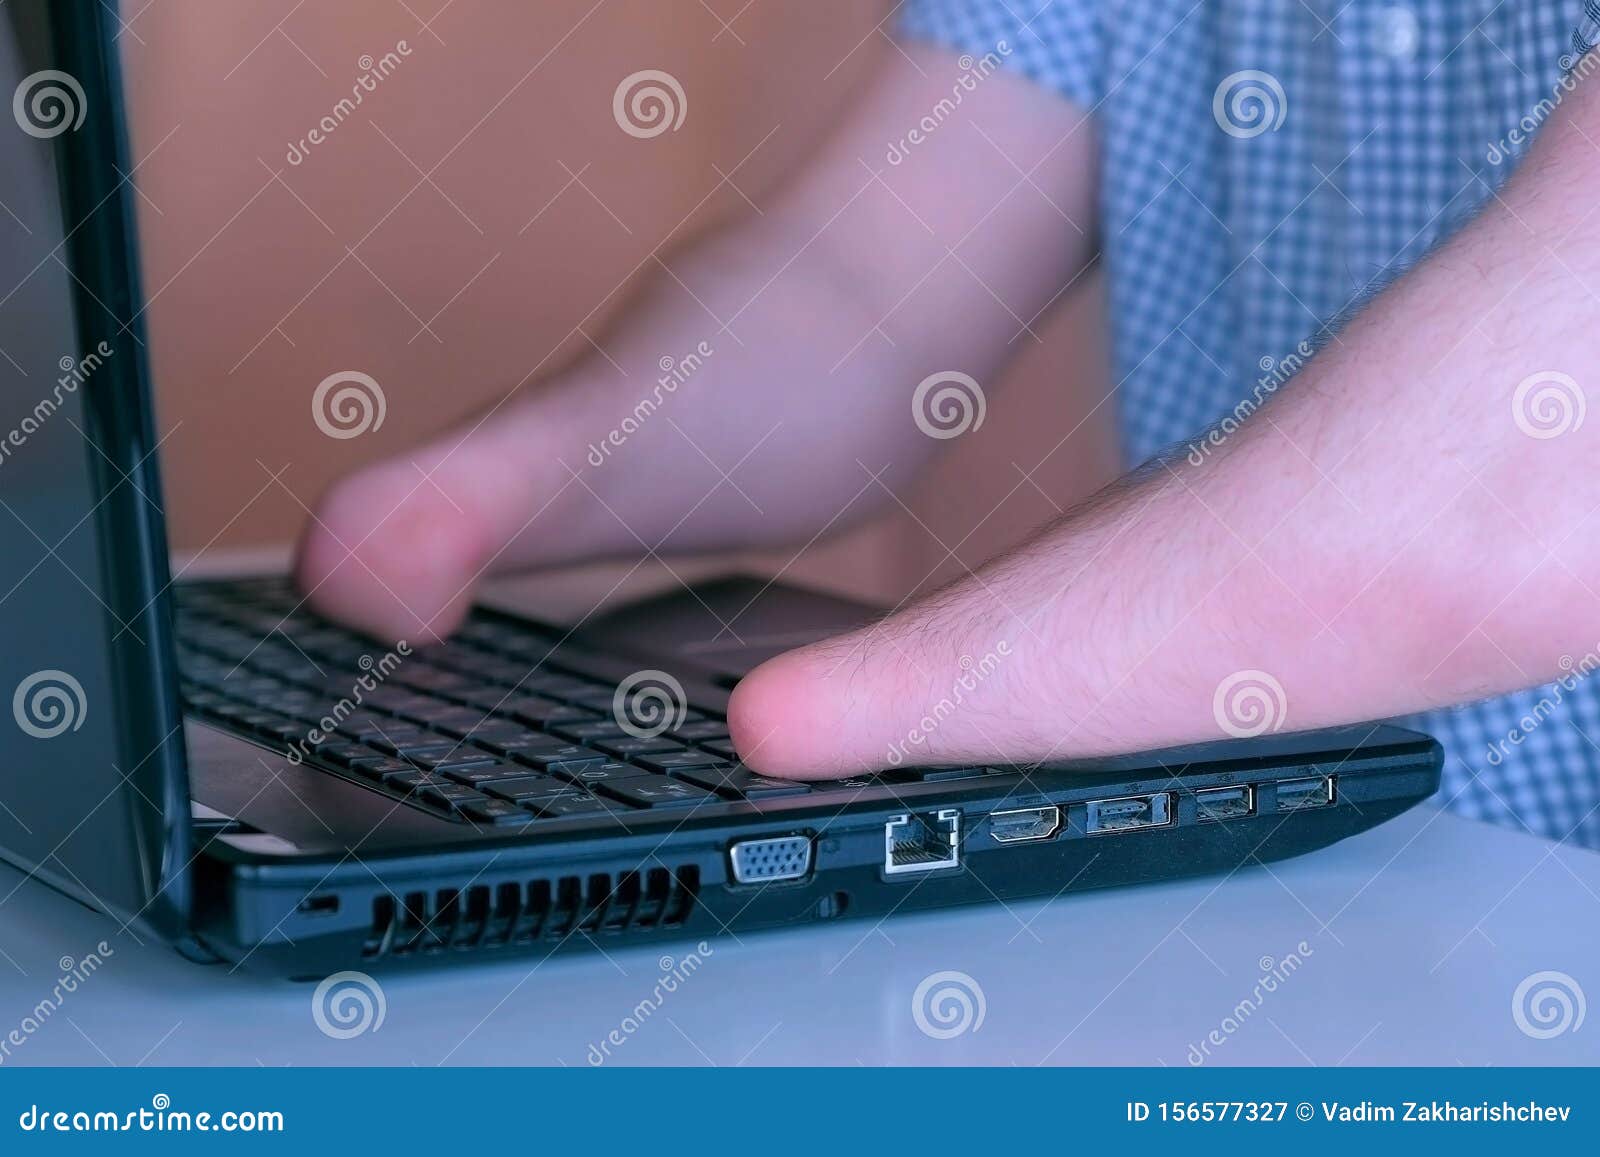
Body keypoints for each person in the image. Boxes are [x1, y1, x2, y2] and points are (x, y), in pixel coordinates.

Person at [295, 2, 1600, 849]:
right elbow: (867, 283)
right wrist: (512, 478)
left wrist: (882, 699)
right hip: (1264, 894)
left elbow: (1520, 472)